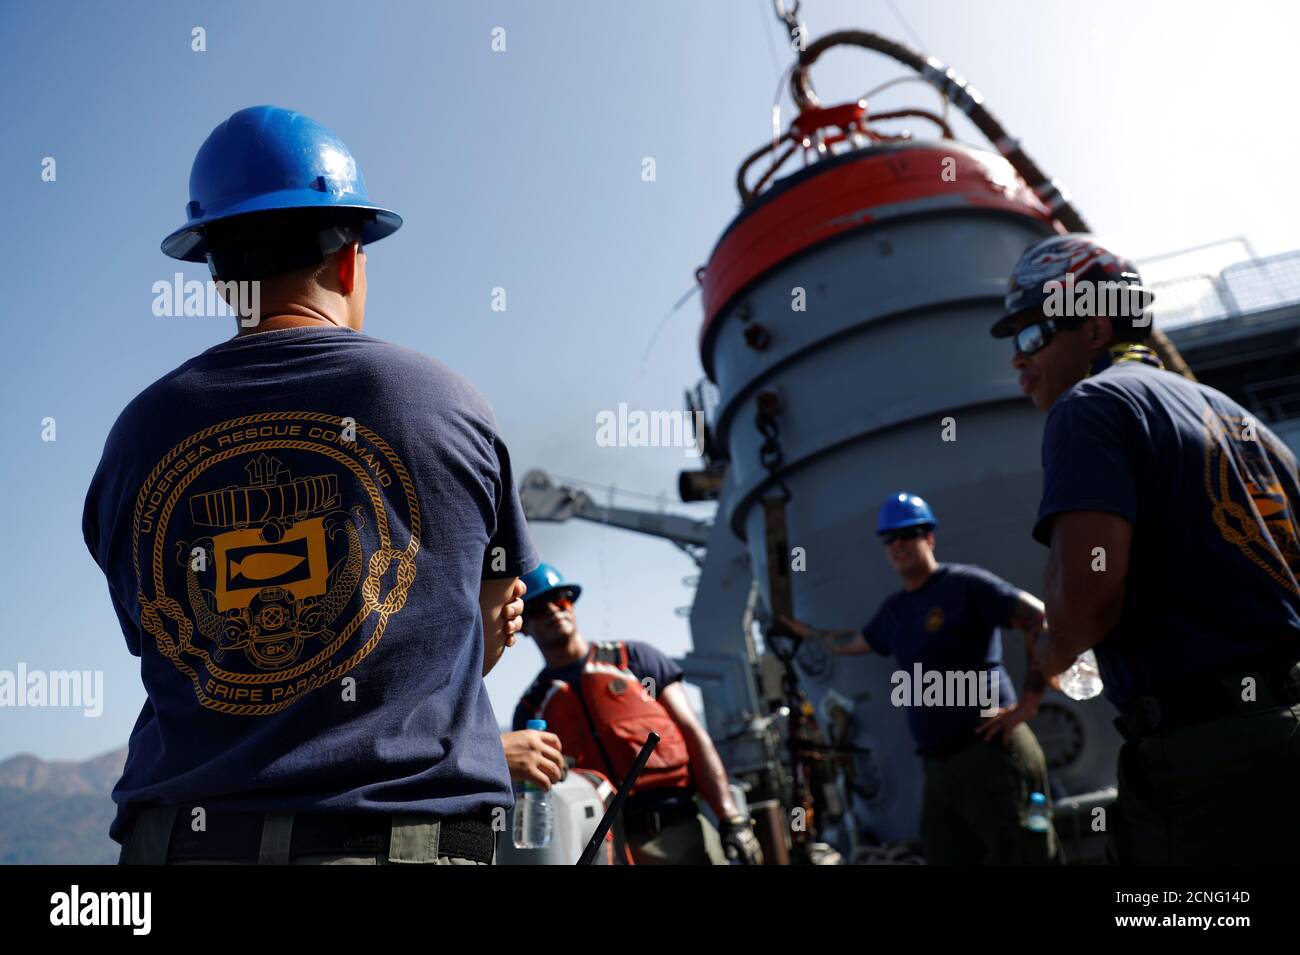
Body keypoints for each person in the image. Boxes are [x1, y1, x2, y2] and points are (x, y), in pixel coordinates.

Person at [82, 106, 537, 865]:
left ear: (220, 275)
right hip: (401, 842)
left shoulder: (133, 439)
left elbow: (177, 644)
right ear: (352, 258)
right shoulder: (453, 405)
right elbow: (480, 633)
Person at [993, 232, 1300, 864]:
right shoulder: (1253, 429)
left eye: (1031, 337)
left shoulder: (1089, 407)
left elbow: (1090, 597)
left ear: (1095, 326)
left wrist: (1052, 649)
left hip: (1211, 768)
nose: (1019, 363)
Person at [782, 493, 1059, 865]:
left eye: (907, 534)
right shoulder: (895, 612)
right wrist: (807, 633)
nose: (898, 545)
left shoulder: (964, 585)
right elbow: (853, 642)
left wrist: (1028, 703)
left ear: (929, 537)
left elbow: (1037, 618)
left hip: (991, 753)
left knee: (1027, 857)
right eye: (889, 539)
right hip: (939, 766)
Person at [511, 563, 762, 865]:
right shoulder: (531, 708)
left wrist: (731, 817)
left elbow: (693, 733)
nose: (553, 610)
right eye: (538, 607)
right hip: (603, 847)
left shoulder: (637, 659)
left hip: (679, 834)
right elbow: (532, 796)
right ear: (523, 625)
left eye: (561, 600)